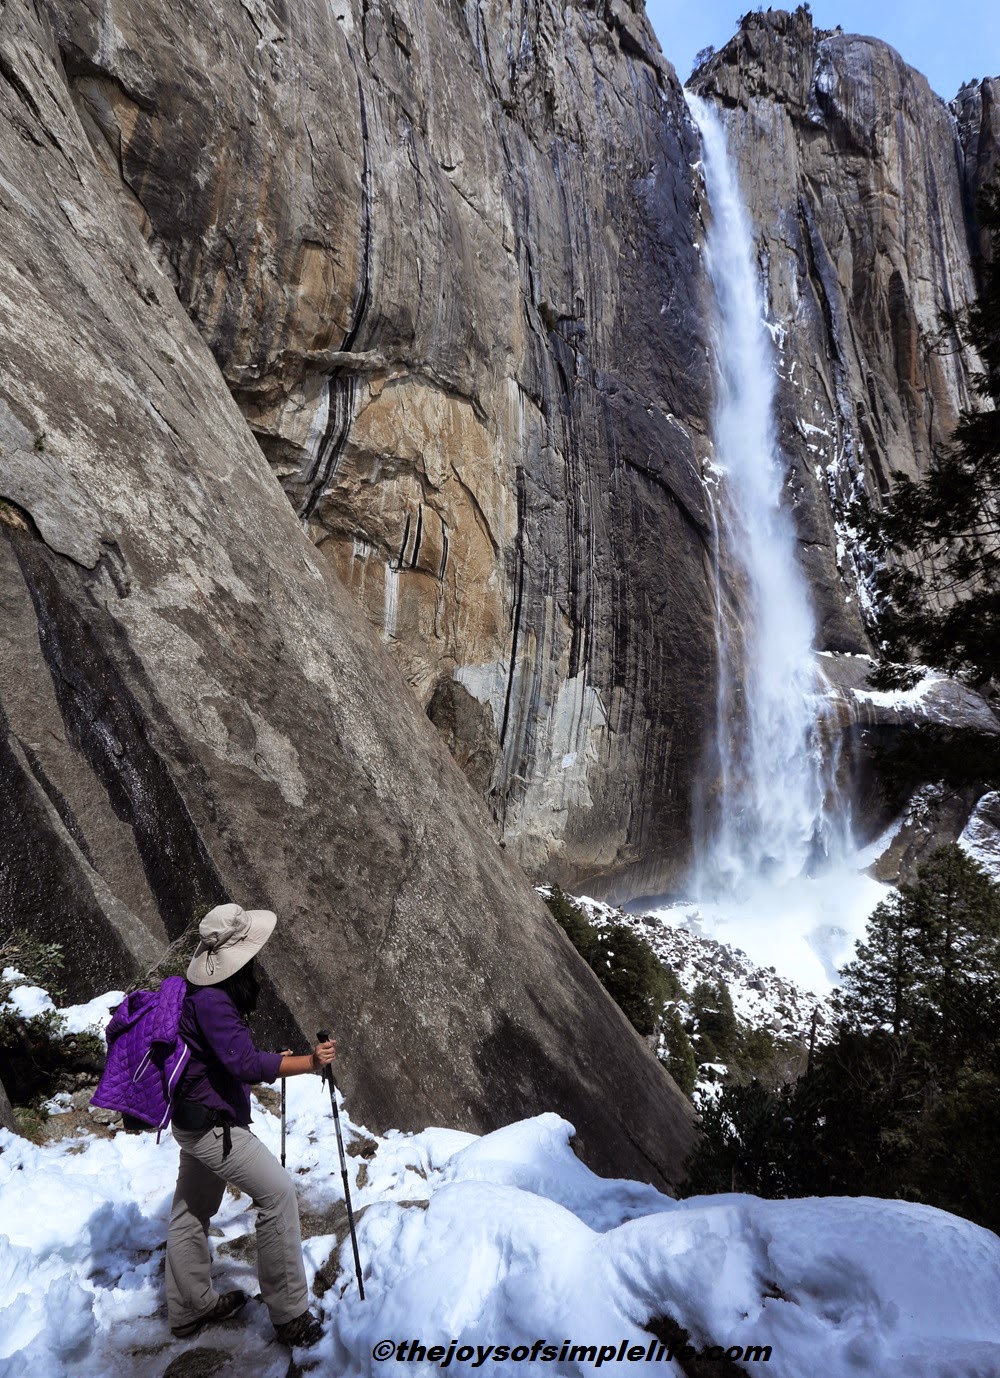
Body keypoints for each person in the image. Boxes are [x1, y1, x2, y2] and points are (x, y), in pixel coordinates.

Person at [165, 902, 336, 1348]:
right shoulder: (213, 1000)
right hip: (211, 1127)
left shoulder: (202, 994)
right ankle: (290, 1315)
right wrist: (309, 1062)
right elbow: (242, 1062)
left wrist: (279, 1058)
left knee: (191, 1210)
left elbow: (227, 1053)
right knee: (277, 1193)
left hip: (193, 1117)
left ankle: (189, 1307)